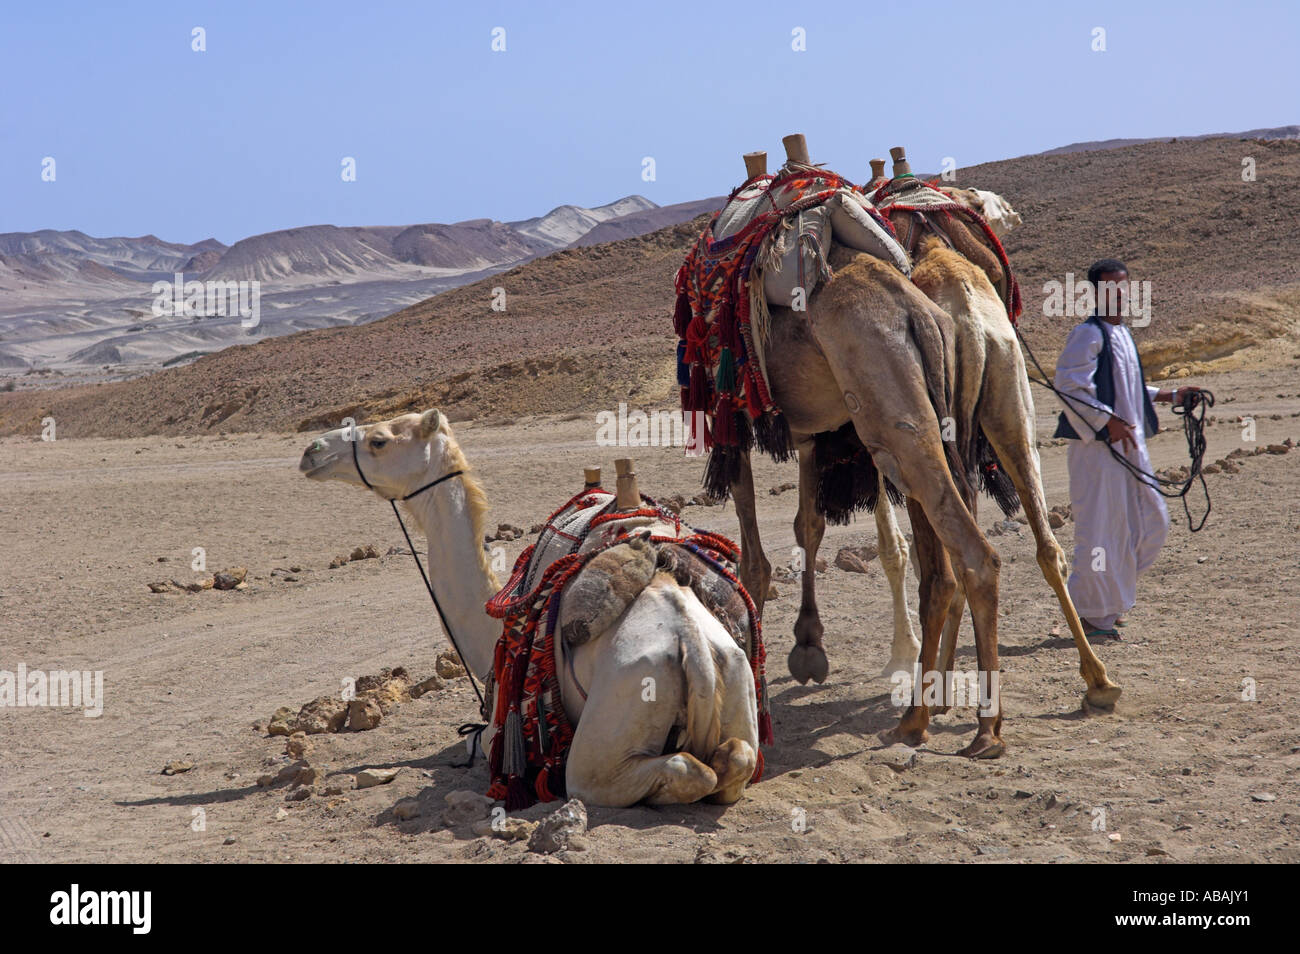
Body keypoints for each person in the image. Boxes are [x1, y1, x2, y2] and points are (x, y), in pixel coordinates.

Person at [1052, 259, 1196, 639]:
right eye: (1110, 287)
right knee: (1099, 531)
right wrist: (1105, 421)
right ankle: (1091, 615)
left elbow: (1126, 391)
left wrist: (1167, 394)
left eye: (1123, 286)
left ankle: (1110, 602)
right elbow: (1069, 386)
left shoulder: (1123, 335)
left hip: (1131, 449)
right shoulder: (1088, 335)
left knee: (1150, 523)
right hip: (1097, 454)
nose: (1119, 294)